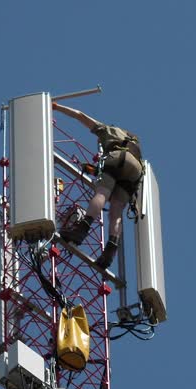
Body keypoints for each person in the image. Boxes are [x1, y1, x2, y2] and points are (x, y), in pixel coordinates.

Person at [52, 102, 143, 269]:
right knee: (116, 212)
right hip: (135, 171)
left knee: (101, 194)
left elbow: (80, 115)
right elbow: (118, 173)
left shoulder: (109, 130)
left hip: (117, 157)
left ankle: (81, 230)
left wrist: (57, 107)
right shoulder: (135, 147)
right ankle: (110, 251)